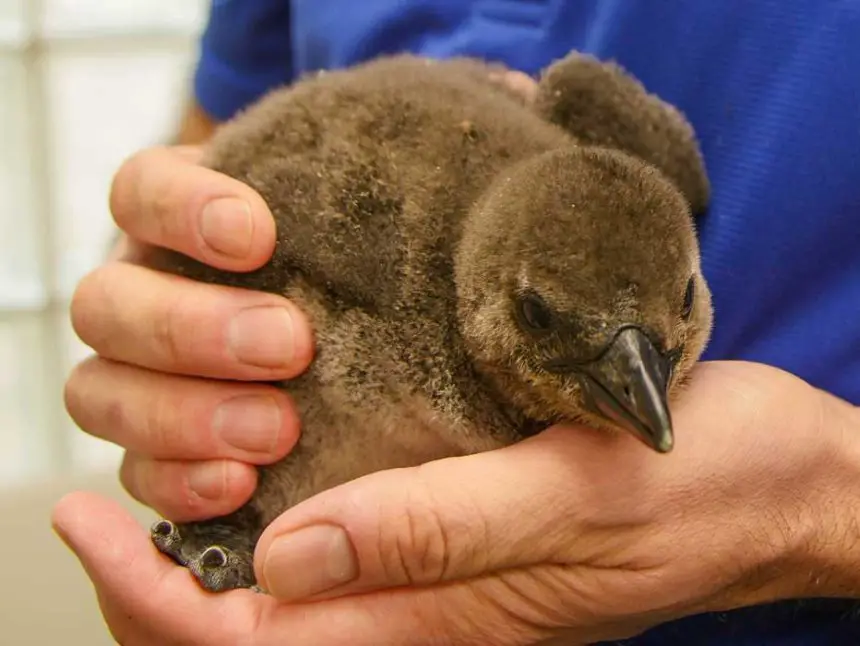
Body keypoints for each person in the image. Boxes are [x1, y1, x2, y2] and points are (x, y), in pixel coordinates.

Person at [53, 1, 860, 644]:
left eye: (675, 312)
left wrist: (825, 507)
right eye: (541, 318)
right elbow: (212, 159)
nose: (641, 382)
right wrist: (168, 312)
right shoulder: (390, 268)